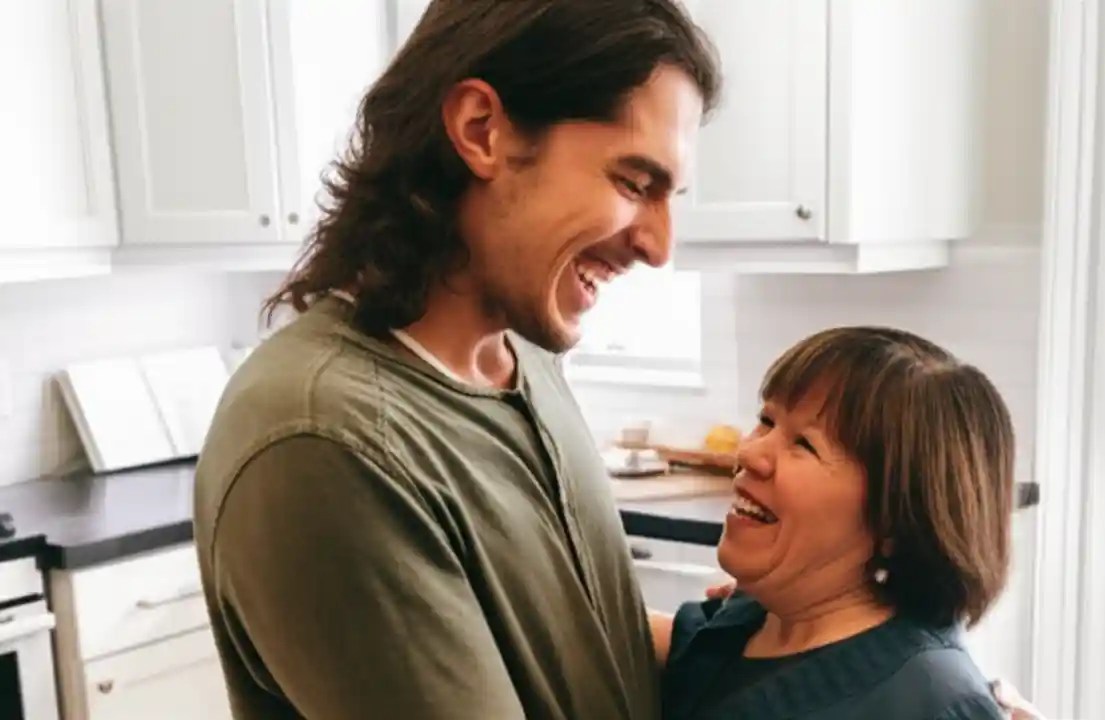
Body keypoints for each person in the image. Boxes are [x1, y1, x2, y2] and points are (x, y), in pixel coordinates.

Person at [192, 1, 720, 718]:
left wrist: (764, 640)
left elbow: (585, 653)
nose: (660, 246)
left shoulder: (524, 358)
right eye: (633, 183)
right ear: (482, 130)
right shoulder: (326, 439)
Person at [654, 327, 1016, 719]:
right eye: (767, 420)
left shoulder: (929, 701)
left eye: (804, 444)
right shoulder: (748, 622)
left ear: (895, 515)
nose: (750, 451)